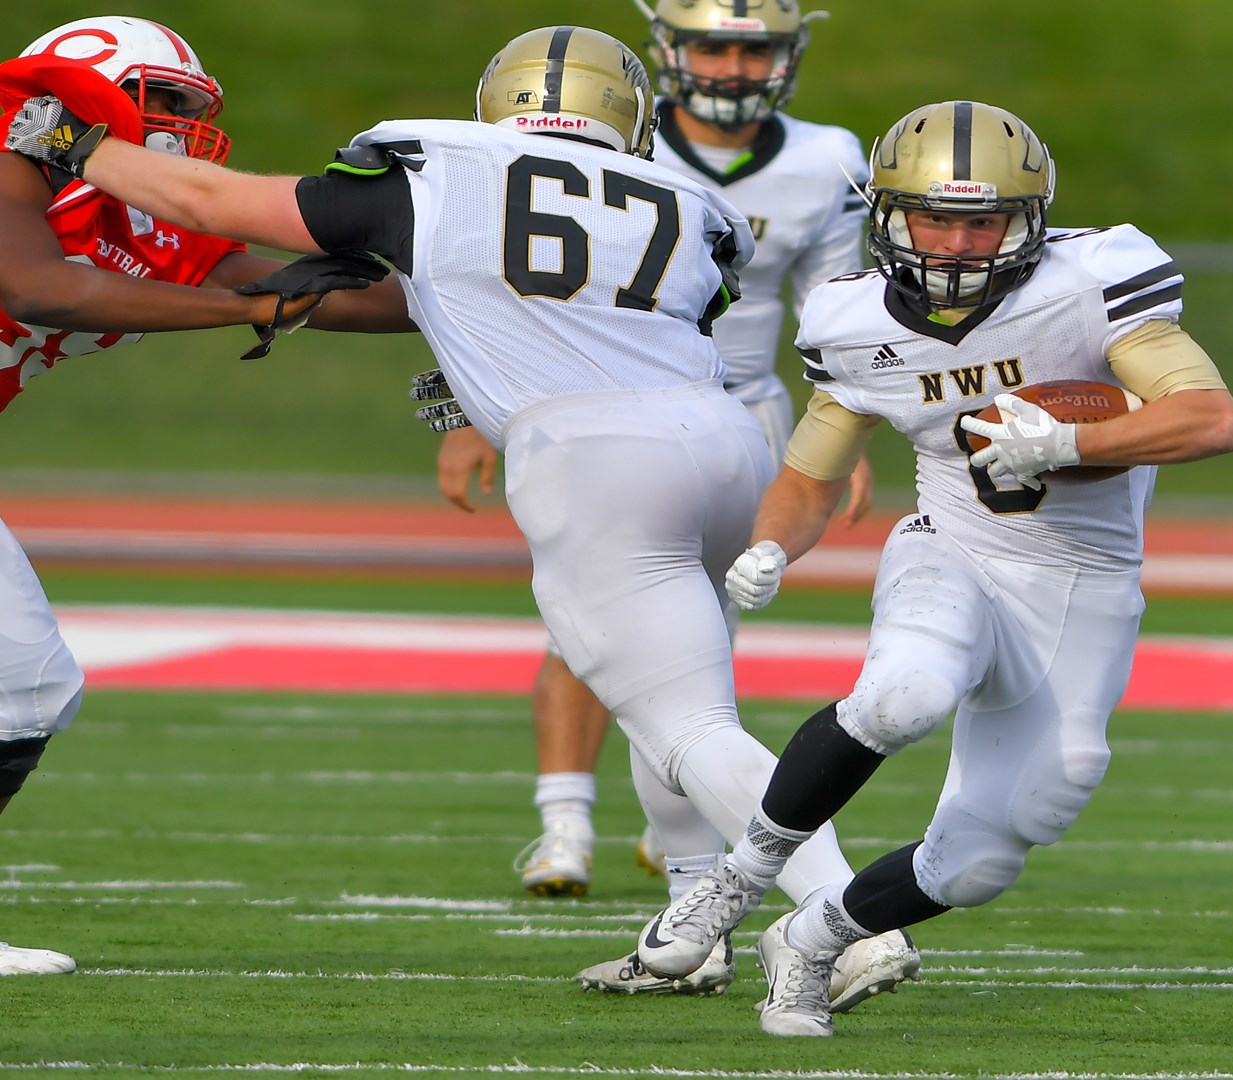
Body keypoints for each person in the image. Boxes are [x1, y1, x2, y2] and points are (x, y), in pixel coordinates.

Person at [8, 23, 913, 1006]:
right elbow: (549, 300)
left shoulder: (438, 167)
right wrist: (467, 342)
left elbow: (213, 205)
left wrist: (79, 145)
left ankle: (843, 921)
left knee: (685, 724)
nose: (184, 123)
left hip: (598, 455)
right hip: (728, 435)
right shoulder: (680, 197)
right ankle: (697, 934)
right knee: (685, 705)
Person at [625, 100, 1233, 1036]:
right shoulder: (851, 319)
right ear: (889, 215)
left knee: (990, 853)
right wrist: (771, 544)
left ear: (1028, 219)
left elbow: (1209, 418)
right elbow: (810, 476)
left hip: (1082, 579)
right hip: (951, 546)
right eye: (933, 218)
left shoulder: (1090, 281)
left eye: (982, 221)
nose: (956, 243)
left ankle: (814, 937)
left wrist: (1069, 442)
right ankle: (737, 880)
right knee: (902, 695)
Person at [434, 0, 876, 912]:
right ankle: (566, 820)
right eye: (712, 44)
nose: (733, 68)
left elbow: (836, 307)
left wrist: (844, 425)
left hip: (744, 413)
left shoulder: (826, 157)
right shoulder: (596, 134)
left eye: (756, 50)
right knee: (586, 626)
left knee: (701, 638)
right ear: (667, 50)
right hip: (596, 400)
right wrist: (461, 407)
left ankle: (677, 818)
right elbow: (480, 272)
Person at [0, 15, 408, 977]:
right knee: (22, 680)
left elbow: (321, 290)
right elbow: (36, 289)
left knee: (24, 684)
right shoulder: (12, 154)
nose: (184, 124)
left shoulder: (127, 215)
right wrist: (253, 309)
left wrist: (489, 287)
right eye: (166, 101)